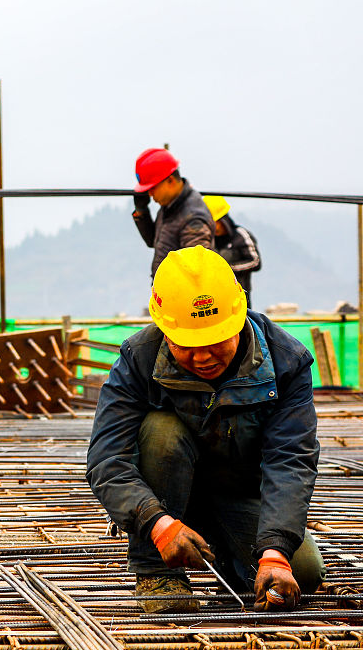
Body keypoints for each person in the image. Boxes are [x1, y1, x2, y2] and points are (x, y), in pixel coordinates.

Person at [87, 246, 324, 614]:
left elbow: (289, 461)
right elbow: (106, 460)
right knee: (162, 432)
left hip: (239, 496)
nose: (202, 357)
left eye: (215, 342)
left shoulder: (285, 362)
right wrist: (157, 523)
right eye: (186, 346)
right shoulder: (140, 358)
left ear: (238, 317)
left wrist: (275, 550)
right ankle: (156, 571)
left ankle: (231, 562)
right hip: (164, 502)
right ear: (164, 330)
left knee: (302, 573)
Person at [132, 148, 215, 277]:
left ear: (170, 180)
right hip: (166, 291)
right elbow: (154, 240)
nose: (149, 194)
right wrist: (142, 212)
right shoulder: (170, 205)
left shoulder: (193, 219)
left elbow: (196, 272)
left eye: (152, 188)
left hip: (180, 295)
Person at [203, 195, 262, 308]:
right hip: (215, 297)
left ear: (223, 220)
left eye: (216, 223)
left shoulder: (241, 235)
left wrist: (229, 269)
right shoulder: (208, 240)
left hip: (240, 295)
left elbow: (256, 262)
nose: (214, 227)